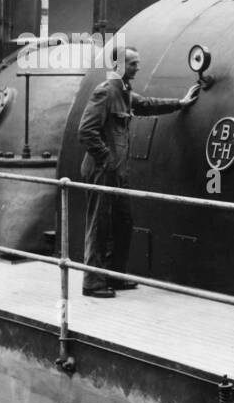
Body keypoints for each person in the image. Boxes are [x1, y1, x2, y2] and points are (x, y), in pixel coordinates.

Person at [78, 45, 200, 298]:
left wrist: (181, 103)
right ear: (119, 65)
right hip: (103, 171)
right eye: (133, 63)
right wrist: (107, 159)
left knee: (123, 222)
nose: (138, 67)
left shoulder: (122, 91)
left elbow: (146, 104)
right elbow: (85, 131)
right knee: (99, 225)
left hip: (116, 172)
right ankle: (92, 282)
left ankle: (115, 276)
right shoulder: (106, 92)